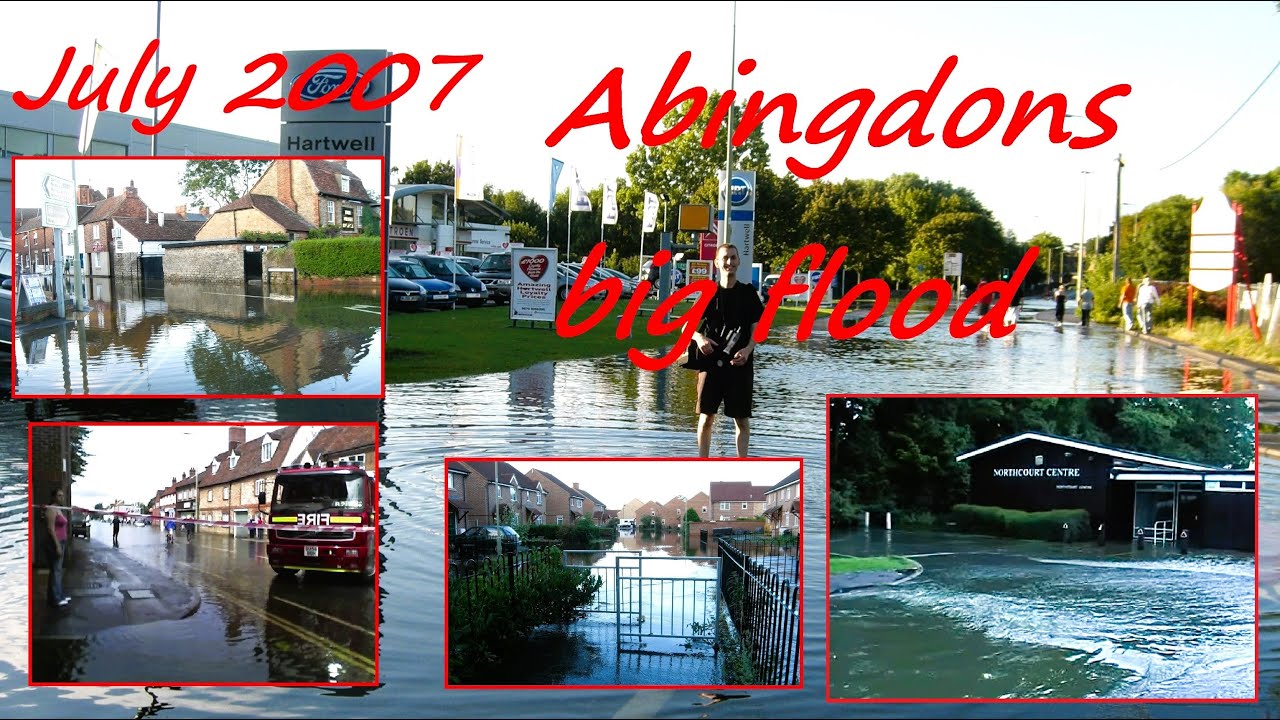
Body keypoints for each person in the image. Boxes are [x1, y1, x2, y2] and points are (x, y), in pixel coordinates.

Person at [691, 243, 765, 458]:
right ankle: (702, 463)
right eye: (725, 258)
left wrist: (749, 349)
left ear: (738, 261)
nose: (729, 262)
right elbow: (688, 328)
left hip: (739, 365)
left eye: (733, 258)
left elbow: (757, 328)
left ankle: (742, 464)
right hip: (710, 365)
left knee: (741, 420)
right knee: (706, 418)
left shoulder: (748, 293)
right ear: (716, 262)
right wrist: (700, 338)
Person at [45, 488, 70, 608]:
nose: (62, 498)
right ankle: (56, 599)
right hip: (57, 542)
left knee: (58, 570)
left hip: (62, 541)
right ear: (54, 497)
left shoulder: (59, 509)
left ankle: (59, 595)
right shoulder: (51, 509)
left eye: (62, 495)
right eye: (59, 496)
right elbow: (50, 529)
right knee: (56, 571)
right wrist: (57, 546)